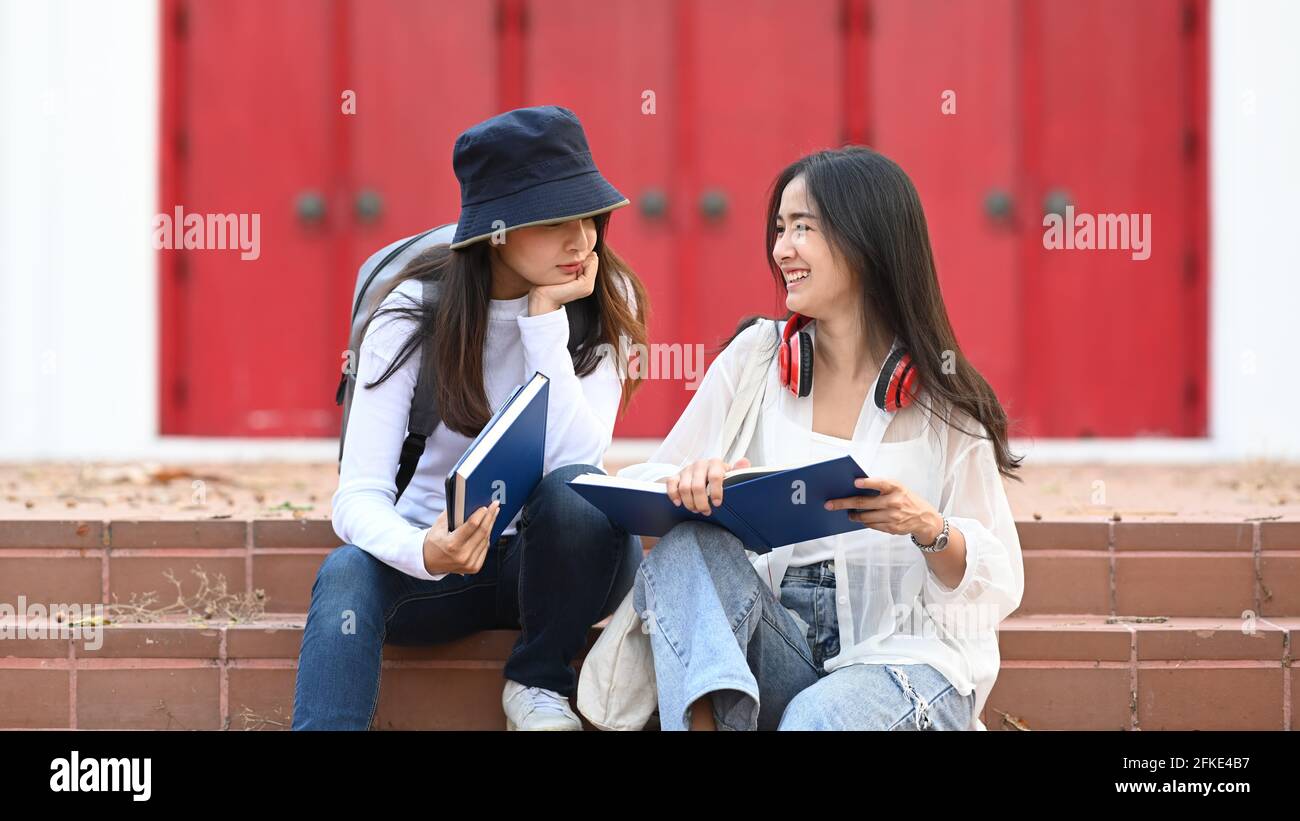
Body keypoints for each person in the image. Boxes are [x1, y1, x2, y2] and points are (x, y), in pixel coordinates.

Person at [618, 146, 1025, 731]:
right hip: (785, 657)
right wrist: (686, 483)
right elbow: (652, 479)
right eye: (780, 229)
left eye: (803, 227)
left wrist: (928, 527)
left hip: (908, 662)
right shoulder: (753, 362)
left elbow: (999, 584)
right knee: (687, 549)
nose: (782, 249)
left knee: (816, 719)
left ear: (867, 240)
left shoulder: (944, 397)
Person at [293, 105, 649, 731]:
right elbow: (357, 498)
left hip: (559, 573)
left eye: (589, 215)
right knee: (346, 569)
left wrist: (544, 325)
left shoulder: (601, 302)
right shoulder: (411, 311)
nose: (583, 240)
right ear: (498, 230)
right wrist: (424, 550)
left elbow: (576, 463)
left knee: (578, 492)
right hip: (431, 575)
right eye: (555, 219)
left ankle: (537, 683)